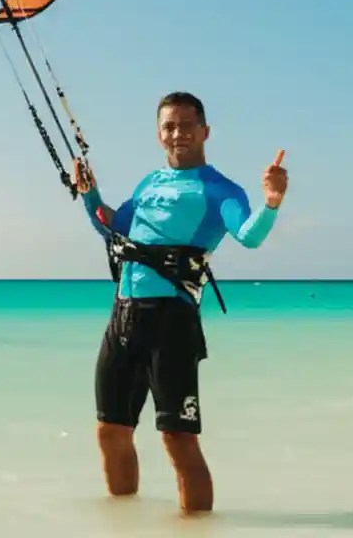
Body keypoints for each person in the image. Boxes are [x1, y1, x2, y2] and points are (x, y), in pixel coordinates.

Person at [72, 91, 288, 515]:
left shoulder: (220, 189)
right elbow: (114, 229)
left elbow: (249, 236)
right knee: (110, 431)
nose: (178, 134)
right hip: (123, 315)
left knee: (178, 441)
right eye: (169, 126)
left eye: (187, 125)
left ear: (205, 131)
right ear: (158, 134)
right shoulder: (149, 183)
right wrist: (90, 195)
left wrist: (272, 202)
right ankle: (124, 523)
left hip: (171, 321)